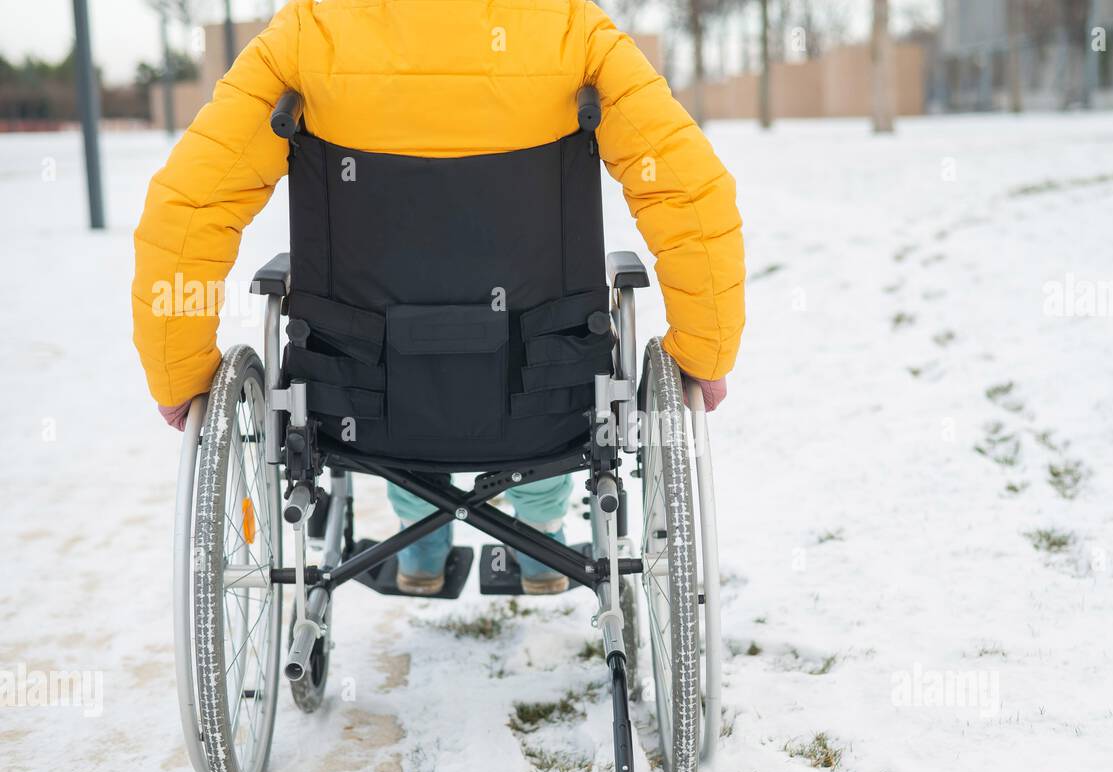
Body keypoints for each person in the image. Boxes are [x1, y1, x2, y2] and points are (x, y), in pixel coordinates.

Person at [135, 0, 744, 595]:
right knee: (549, 372)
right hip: (547, 389)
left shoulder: (306, 36)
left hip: (363, 393)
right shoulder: (571, 32)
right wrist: (703, 351)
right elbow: (690, 193)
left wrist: (180, 372)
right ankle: (541, 537)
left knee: (395, 371)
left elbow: (189, 210)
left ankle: (421, 551)